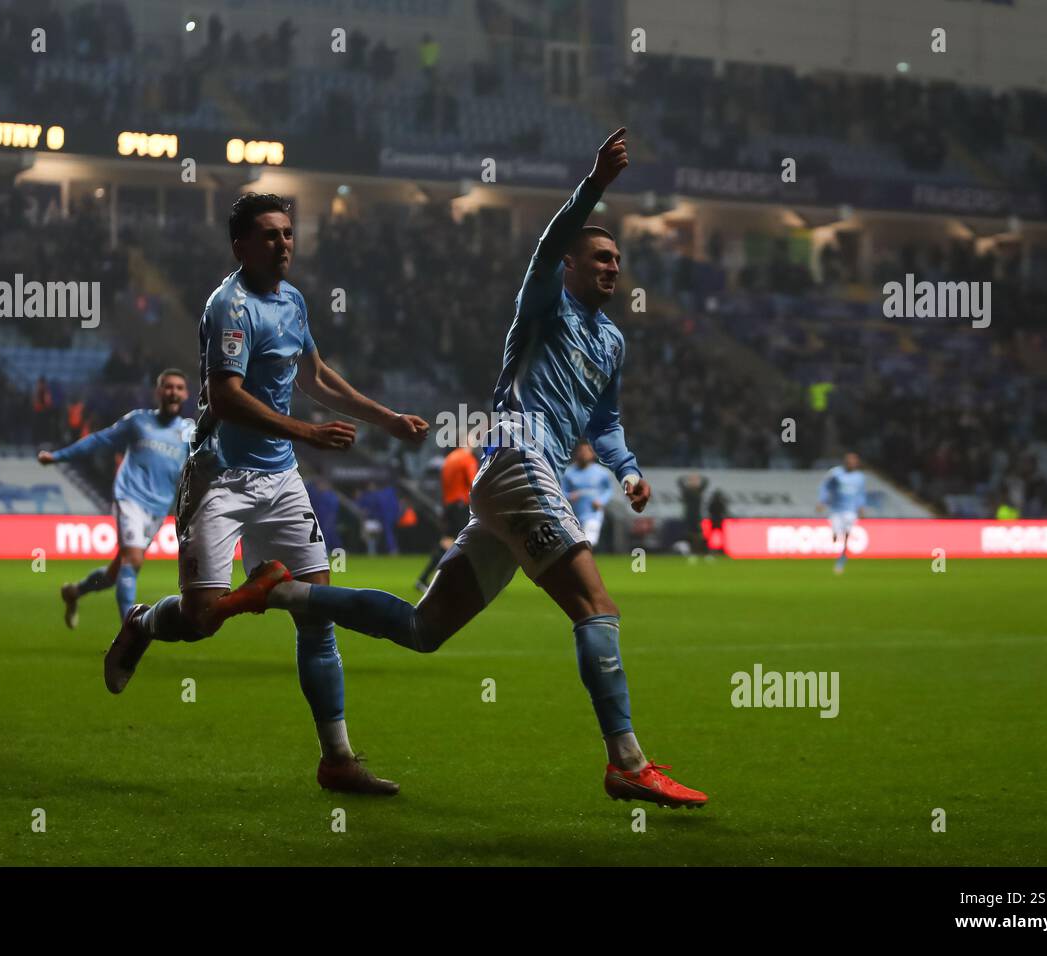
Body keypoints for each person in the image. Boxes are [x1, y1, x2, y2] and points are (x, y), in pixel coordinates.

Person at [224, 131, 707, 809]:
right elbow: (549, 241)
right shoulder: (543, 304)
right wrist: (594, 183)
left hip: (518, 481)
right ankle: (627, 761)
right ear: (567, 264)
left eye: (618, 259)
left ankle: (279, 591)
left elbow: (605, 422)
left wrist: (627, 471)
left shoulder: (613, 340)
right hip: (519, 456)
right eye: (599, 256)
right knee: (596, 606)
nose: (612, 267)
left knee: (424, 631)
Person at [103, 193, 430, 796]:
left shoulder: (293, 301)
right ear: (241, 246)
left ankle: (337, 759)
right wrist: (308, 431)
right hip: (220, 478)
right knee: (202, 621)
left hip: (280, 480)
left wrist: (386, 419)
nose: (284, 244)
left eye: (288, 234)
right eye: (270, 236)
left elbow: (316, 377)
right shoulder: (228, 306)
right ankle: (143, 623)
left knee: (318, 614)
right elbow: (225, 396)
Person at [38, 369, 192, 624]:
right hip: (129, 498)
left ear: (185, 394)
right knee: (132, 560)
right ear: (158, 391)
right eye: (168, 386)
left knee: (115, 573)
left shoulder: (189, 433)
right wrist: (58, 456)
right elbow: (99, 440)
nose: (173, 392)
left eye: (178, 387)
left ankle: (74, 592)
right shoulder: (138, 422)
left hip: (158, 508)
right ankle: (128, 634)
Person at [415, 434, 479, 591]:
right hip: (461, 505)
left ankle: (426, 578)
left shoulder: (449, 460)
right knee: (468, 541)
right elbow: (474, 483)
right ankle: (428, 578)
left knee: (450, 541)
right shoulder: (466, 458)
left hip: (449, 505)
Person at [816, 452, 867, 574]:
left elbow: (861, 493)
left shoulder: (860, 477)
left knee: (847, 535)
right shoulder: (836, 473)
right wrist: (822, 501)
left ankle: (842, 558)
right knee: (835, 534)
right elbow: (826, 486)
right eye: (849, 461)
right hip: (836, 509)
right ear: (845, 462)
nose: (851, 463)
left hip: (850, 510)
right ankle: (835, 536)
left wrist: (861, 507)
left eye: (854, 461)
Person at [563, 440, 614, 548]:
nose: (583, 453)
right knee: (577, 543)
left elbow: (608, 491)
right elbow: (561, 491)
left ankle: (586, 563)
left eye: (586, 451)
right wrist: (569, 496)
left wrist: (601, 501)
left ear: (593, 454)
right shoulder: (568, 473)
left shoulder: (602, 473)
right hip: (574, 514)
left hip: (593, 514)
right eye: (581, 451)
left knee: (589, 541)